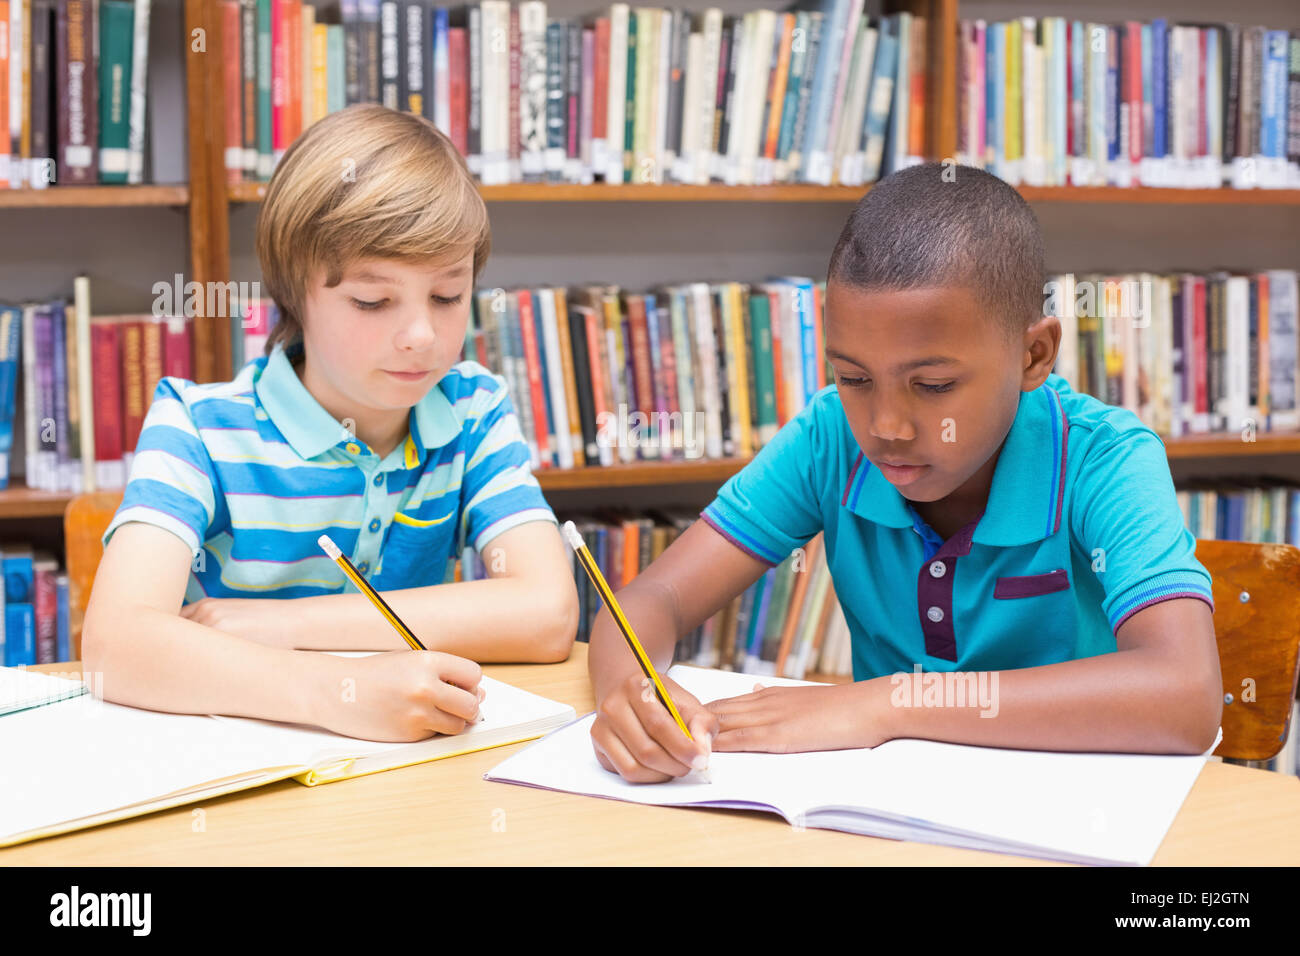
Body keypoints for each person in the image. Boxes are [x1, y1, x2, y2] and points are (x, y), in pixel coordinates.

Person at [587, 162, 1221, 782]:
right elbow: (650, 601)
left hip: (1082, 814)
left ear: (1034, 355)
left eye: (934, 384)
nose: (886, 425)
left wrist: (889, 702)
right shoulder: (830, 440)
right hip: (889, 820)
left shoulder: (1104, 458)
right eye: (854, 378)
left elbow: (1185, 693)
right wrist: (635, 696)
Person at [83, 105, 578, 743]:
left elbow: (546, 613)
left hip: (406, 767)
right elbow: (114, 643)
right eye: (372, 300)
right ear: (294, 295)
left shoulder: (473, 410)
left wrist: (279, 626)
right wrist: (337, 693)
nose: (423, 336)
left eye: (448, 295)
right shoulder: (200, 426)